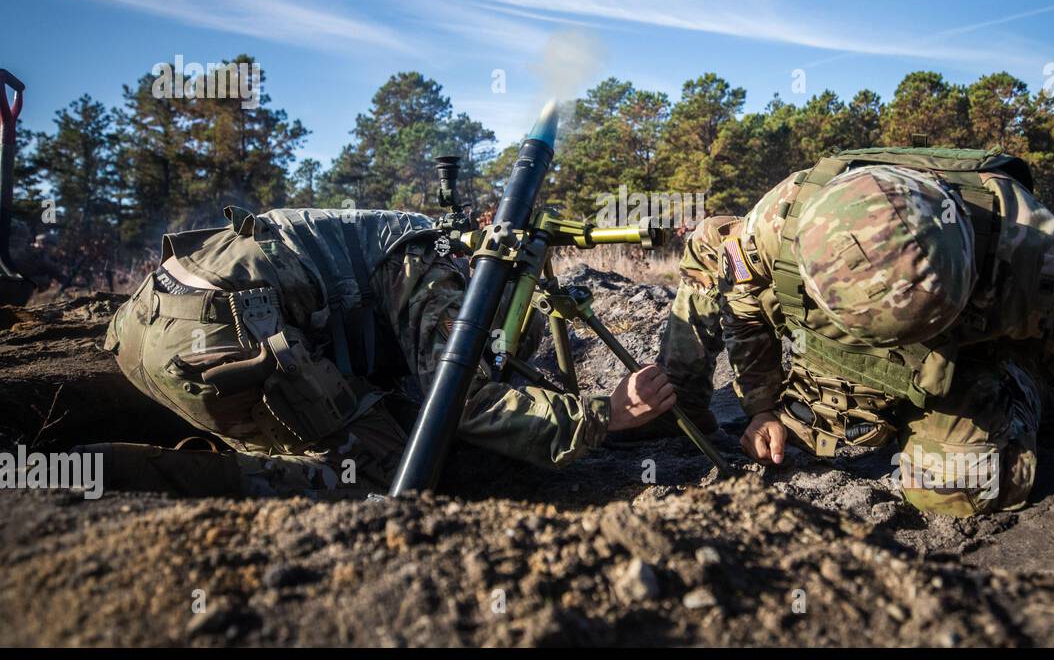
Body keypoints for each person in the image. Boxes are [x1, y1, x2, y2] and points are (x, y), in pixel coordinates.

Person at [657, 148, 1054, 525]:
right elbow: (743, 303)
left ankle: (1024, 382)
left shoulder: (1038, 258)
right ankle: (678, 406)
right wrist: (759, 406)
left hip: (970, 355)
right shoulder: (778, 222)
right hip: (827, 341)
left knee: (958, 490)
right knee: (711, 262)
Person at [95, 205, 676, 497]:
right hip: (221, 332)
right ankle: (125, 476)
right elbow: (459, 400)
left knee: (330, 417)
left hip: (147, 323)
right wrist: (605, 414)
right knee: (378, 466)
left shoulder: (394, 234)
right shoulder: (432, 267)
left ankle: (247, 447)